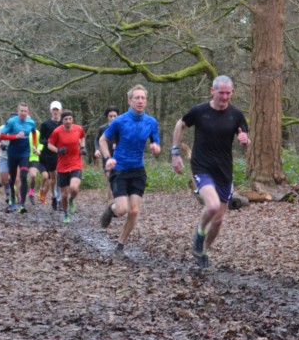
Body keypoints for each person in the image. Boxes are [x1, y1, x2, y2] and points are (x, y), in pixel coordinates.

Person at [171, 75, 249, 270]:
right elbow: (180, 124)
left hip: (224, 170)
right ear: (212, 91)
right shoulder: (200, 111)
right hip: (202, 167)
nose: (224, 97)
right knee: (212, 206)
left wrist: (245, 141)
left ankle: (203, 252)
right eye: (221, 93)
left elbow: (245, 141)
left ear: (232, 92)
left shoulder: (236, 115)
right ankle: (199, 234)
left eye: (228, 93)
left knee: (219, 220)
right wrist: (175, 152)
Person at [98, 85, 161, 258]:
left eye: (143, 98)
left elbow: (156, 145)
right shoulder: (119, 121)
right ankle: (111, 209)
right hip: (119, 170)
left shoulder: (151, 122)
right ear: (129, 101)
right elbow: (103, 140)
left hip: (138, 170)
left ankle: (120, 245)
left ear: (146, 101)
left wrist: (156, 149)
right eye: (137, 98)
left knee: (134, 211)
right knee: (122, 209)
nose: (140, 101)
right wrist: (108, 158)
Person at [47, 110, 86, 223]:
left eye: (70, 119)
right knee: (64, 195)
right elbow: (49, 145)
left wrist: (82, 147)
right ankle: (66, 214)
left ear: (72, 119)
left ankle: (72, 200)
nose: (68, 121)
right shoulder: (57, 132)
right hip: (62, 166)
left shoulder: (78, 129)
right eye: (65, 119)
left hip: (76, 163)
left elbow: (82, 137)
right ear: (62, 120)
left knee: (74, 188)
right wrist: (58, 150)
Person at [0, 103, 37, 213]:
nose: (23, 113)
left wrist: (34, 145)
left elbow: (34, 132)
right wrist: (15, 136)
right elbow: (1, 136)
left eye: (25, 111)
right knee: (13, 178)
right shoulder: (12, 122)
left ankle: (22, 204)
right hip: (12, 153)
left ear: (28, 112)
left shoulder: (31, 122)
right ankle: (12, 200)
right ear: (18, 111)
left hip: (25, 153)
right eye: (21, 111)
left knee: (23, 176)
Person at [38, 101, 63, 210]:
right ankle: (53, 196)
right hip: (49, 155)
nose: (55, 112)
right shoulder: (45, 124)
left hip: (62, 153)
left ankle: (60, 199)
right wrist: (48, 143)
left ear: (60, 110)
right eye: (53, 110)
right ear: (50, 111)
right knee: (53, 178)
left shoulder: (64, 123)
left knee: (61, 176)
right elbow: (40, 140)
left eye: (57, 109)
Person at [93, 105, 119, 200]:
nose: (113, 118)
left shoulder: (121, 127)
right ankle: (111, 202)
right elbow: (97, 140)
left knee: (118, 180)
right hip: (107, 157)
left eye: (115, 116)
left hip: (119, 157)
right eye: (110, 116)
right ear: (107, 117)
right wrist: (97, 149)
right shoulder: (102, 128)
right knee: (111, 179)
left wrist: (118, 145)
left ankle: (116, 201)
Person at [0, 122, 12, 207]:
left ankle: (15, 196)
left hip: (15, 156)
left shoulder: (21, 129)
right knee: (5, 179)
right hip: (3, 156)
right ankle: (6, 190)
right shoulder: (3, 128)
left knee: (15, 178)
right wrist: (0, 146)